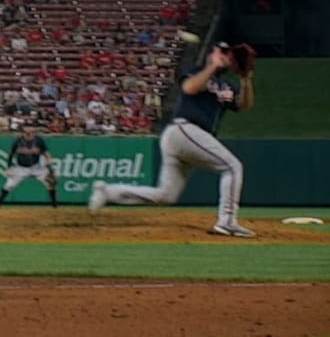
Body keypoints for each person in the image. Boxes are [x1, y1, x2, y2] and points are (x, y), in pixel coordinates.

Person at [89, 39, 256, 237]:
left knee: (166, 195)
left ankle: (109, 192)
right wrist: (213, 66)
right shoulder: (196, 71)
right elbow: (189, 88)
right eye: (221, 51)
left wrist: (246, 79)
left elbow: (244, 106)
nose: (225, 55)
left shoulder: (227, 85)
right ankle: (227, 221)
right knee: (232, 166)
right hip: (184, 130)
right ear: (211, 54)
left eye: (227, 53)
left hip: (190, 139)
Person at [0, 124, 57, 208]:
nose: (29, 130)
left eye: (31, 129)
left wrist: (50, 169)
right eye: (27, 129)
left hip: (36, 167)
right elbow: (11, 155)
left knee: (51, 183)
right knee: (9, 185)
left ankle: (54, 206)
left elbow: (47, 155)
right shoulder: (17, 141)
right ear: (23, 131)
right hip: (20, 168)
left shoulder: (39, 141)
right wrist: (8, 168)